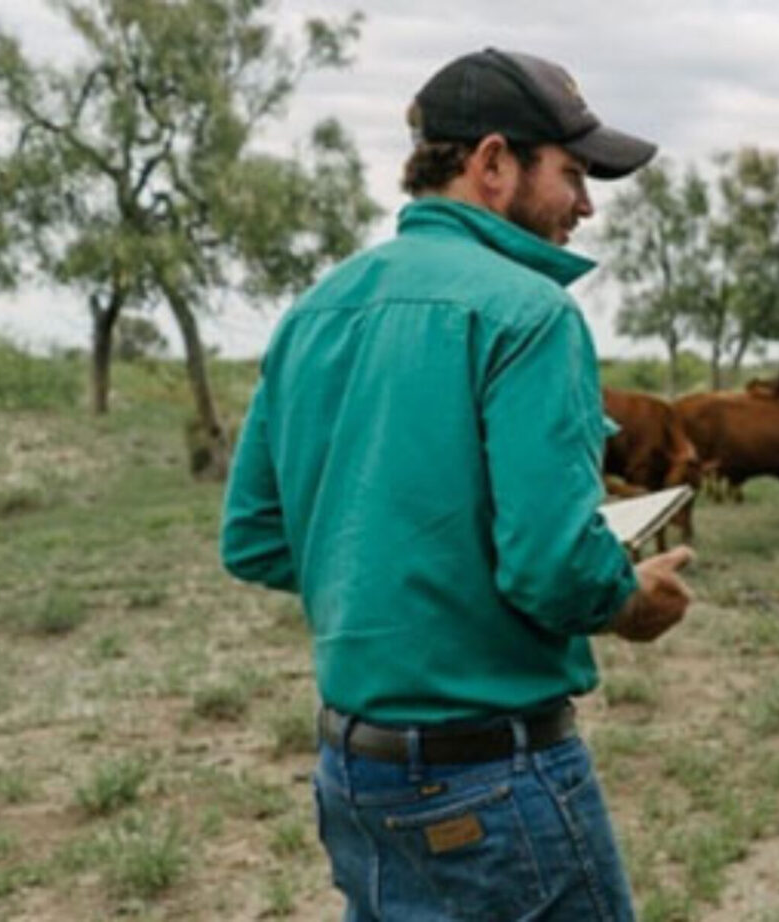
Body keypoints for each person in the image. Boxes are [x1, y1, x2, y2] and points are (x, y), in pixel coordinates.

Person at [220, 47, 694, 921]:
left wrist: (392, 572)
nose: (586, 206)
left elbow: (253, 536)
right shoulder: (531, 313)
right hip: (492, 777)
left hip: (353, 774)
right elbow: (552, 569)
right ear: (491, 164)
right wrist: (629, 600)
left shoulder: (316, 310)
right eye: (573, 173)